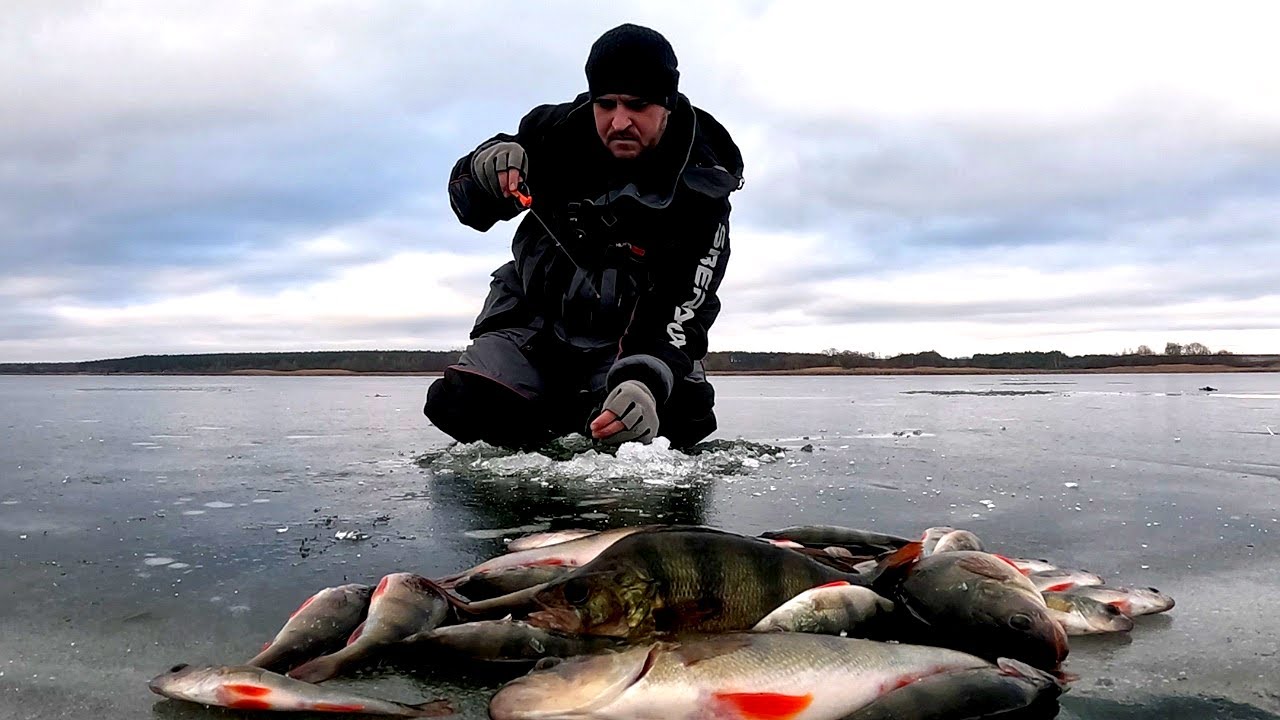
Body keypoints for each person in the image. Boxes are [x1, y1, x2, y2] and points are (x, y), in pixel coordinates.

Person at [424, 23, 744, 451]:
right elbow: (472, 209)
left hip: (628, 336)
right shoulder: (554, 132)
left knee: (676, 420)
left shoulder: (704, 184)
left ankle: (612, 405)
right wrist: (483, 167)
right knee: (463, 403)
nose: (619, 121)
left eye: (637, 105)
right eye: (606, 104)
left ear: (667, 105)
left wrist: (643, 382)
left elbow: (684, 303)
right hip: (534, 320)